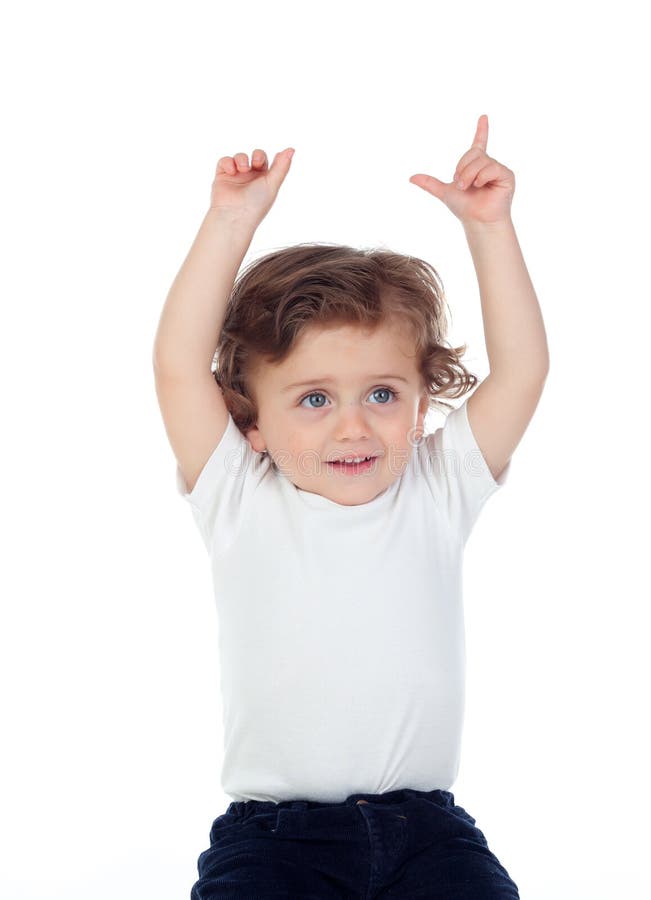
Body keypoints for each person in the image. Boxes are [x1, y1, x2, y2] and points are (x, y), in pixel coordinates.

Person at [153, 114, 548, 899]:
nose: (353, 425)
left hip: (428, 834)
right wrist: (231, 220)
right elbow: (175, 365)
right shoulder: (236, 494)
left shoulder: (437, 487)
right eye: (312, 399)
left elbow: (522, 372)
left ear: (420, 399)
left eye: (381, 392)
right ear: (250, 422)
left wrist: (489, 231)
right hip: (275, 840)